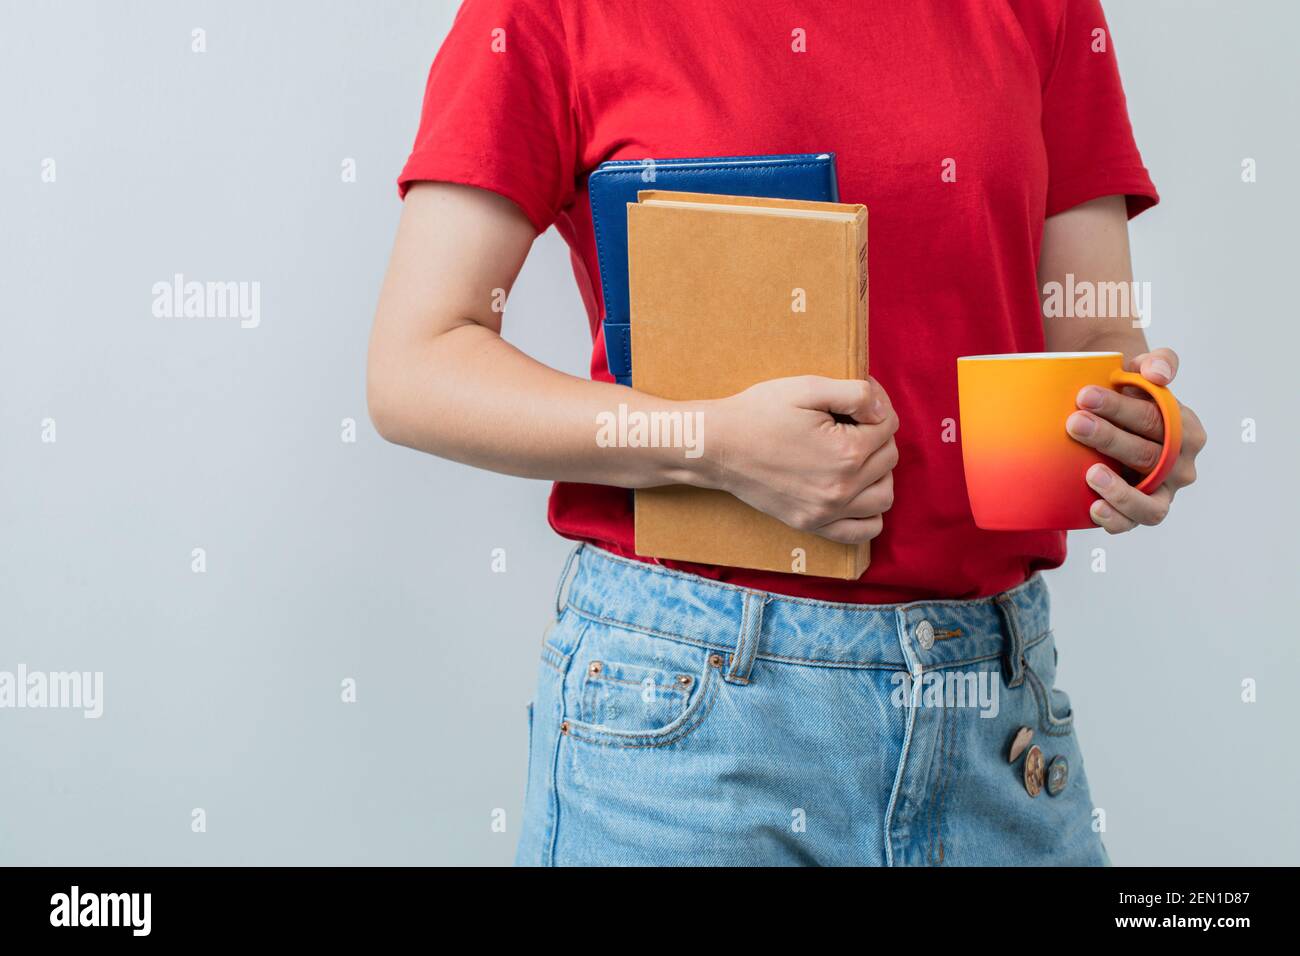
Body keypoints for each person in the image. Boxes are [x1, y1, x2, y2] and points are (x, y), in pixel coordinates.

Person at [367, 0, 1206, 865]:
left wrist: (1141, 427)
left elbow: (1096, 341)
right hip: (692, 727)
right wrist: (712, 444)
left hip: (996, 714)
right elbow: (418, 363)